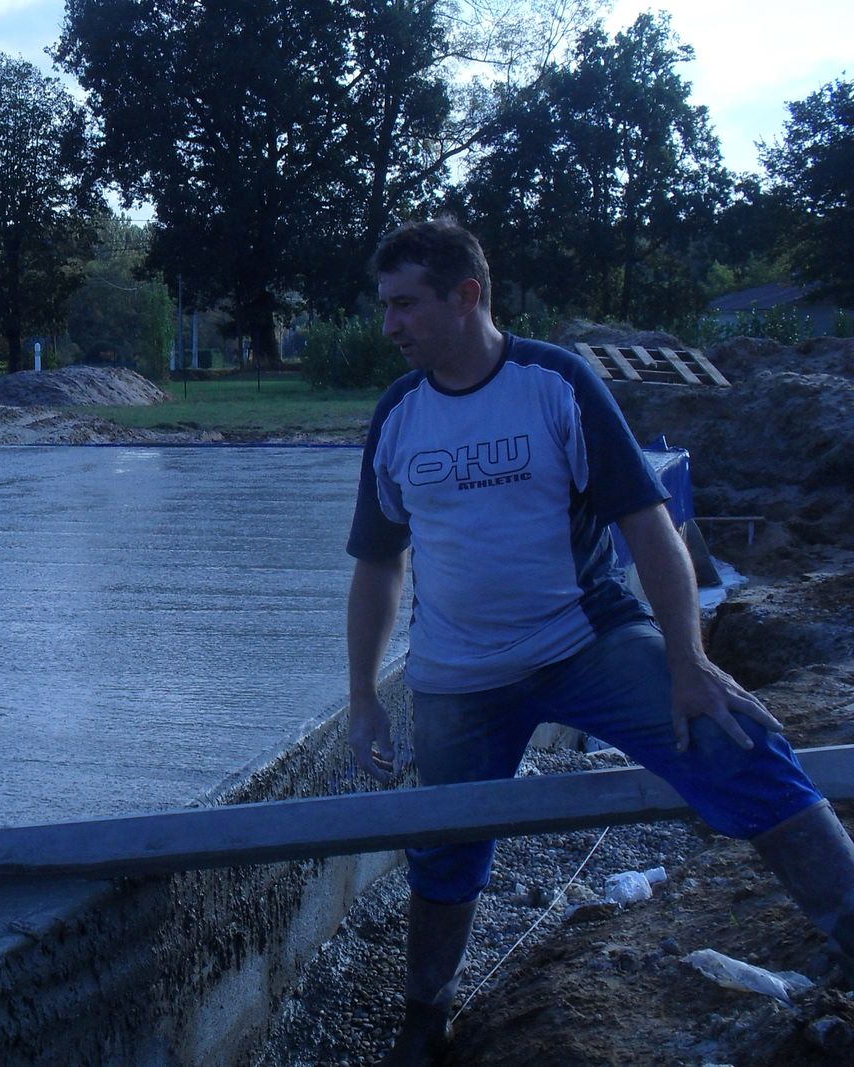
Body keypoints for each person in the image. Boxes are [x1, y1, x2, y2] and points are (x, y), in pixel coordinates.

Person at [345, 218, 854, 1065]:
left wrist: (690, 662)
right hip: (458, 675)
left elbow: (650, 527)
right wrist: (364, 695)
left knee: (737, 738)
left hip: (586, 644)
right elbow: (377, 565)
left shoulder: (556, 382)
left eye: (405, 304)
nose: (389, 324)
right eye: (385, 305)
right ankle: (424, 1021)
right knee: (442, 844)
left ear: (466, 296)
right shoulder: (400, 411)